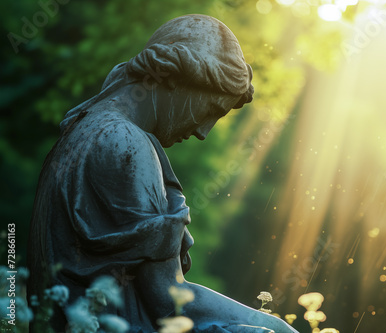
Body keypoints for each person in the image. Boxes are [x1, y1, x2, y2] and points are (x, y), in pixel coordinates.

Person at [28, 14, 297, 333]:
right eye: (211, 110)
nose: (203, 131)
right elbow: (169, 300)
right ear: (174, 79)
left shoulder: (86, 131)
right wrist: (274, 325)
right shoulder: (124, 143)